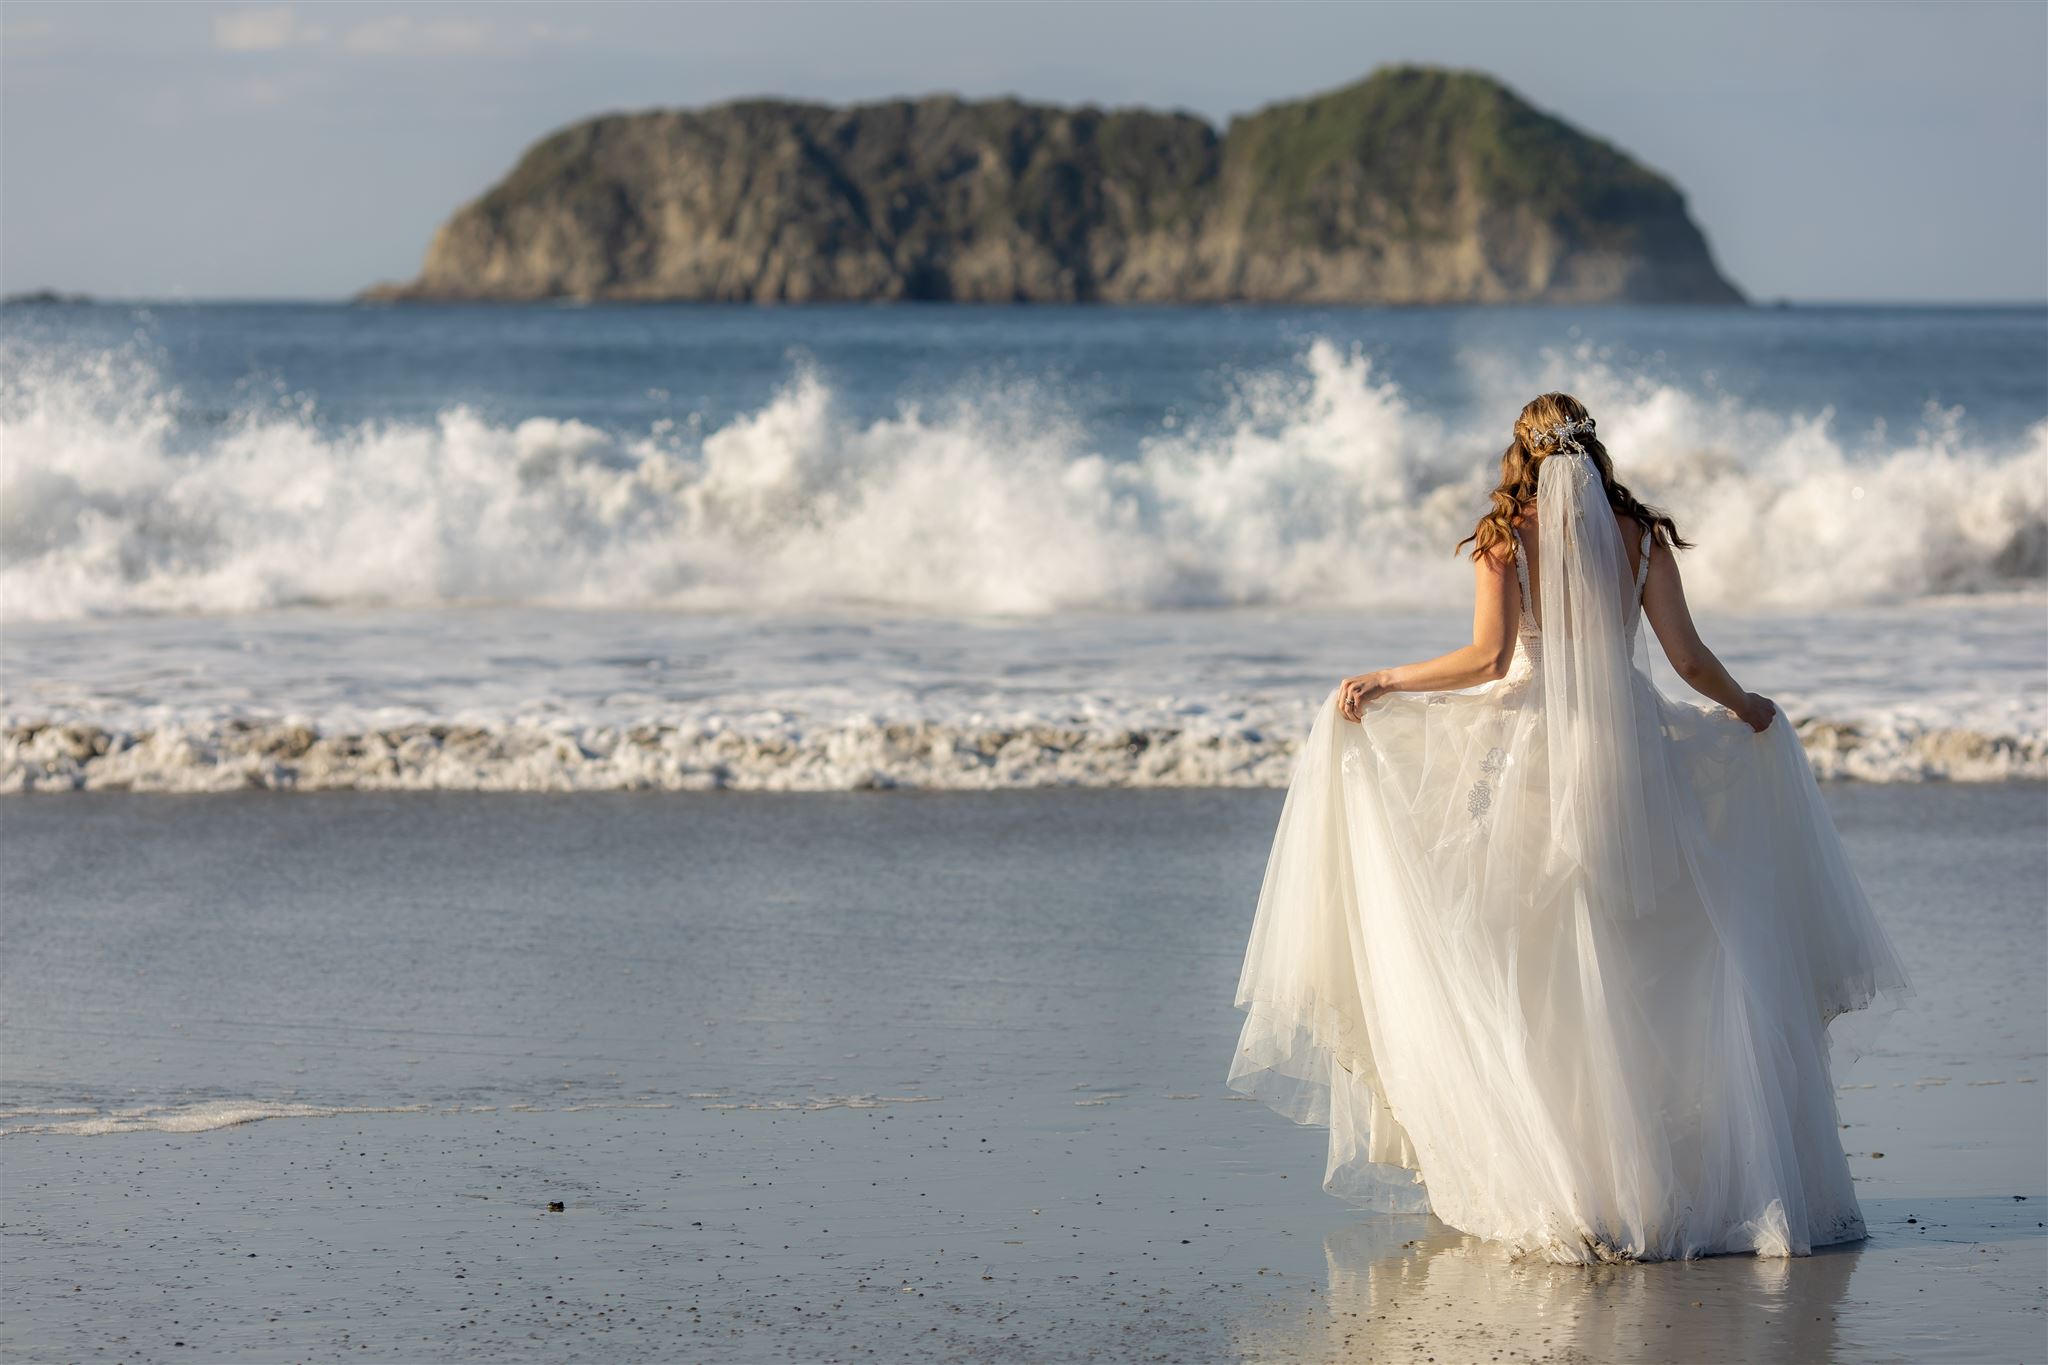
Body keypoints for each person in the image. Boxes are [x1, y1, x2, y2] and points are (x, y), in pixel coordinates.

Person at [1227, 392, 1909, 1264]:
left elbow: (1487, 658)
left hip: (1536, 759)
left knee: (1537, 968)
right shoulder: (1640, 537)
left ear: (1519, 451)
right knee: (1645, 961)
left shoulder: (1504, 537)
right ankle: (1668, 1182)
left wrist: (1388, 678)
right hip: (1634, 752)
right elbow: (1688, 659)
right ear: (1593, 449)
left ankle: (1572, 1181)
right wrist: (1748, 708)